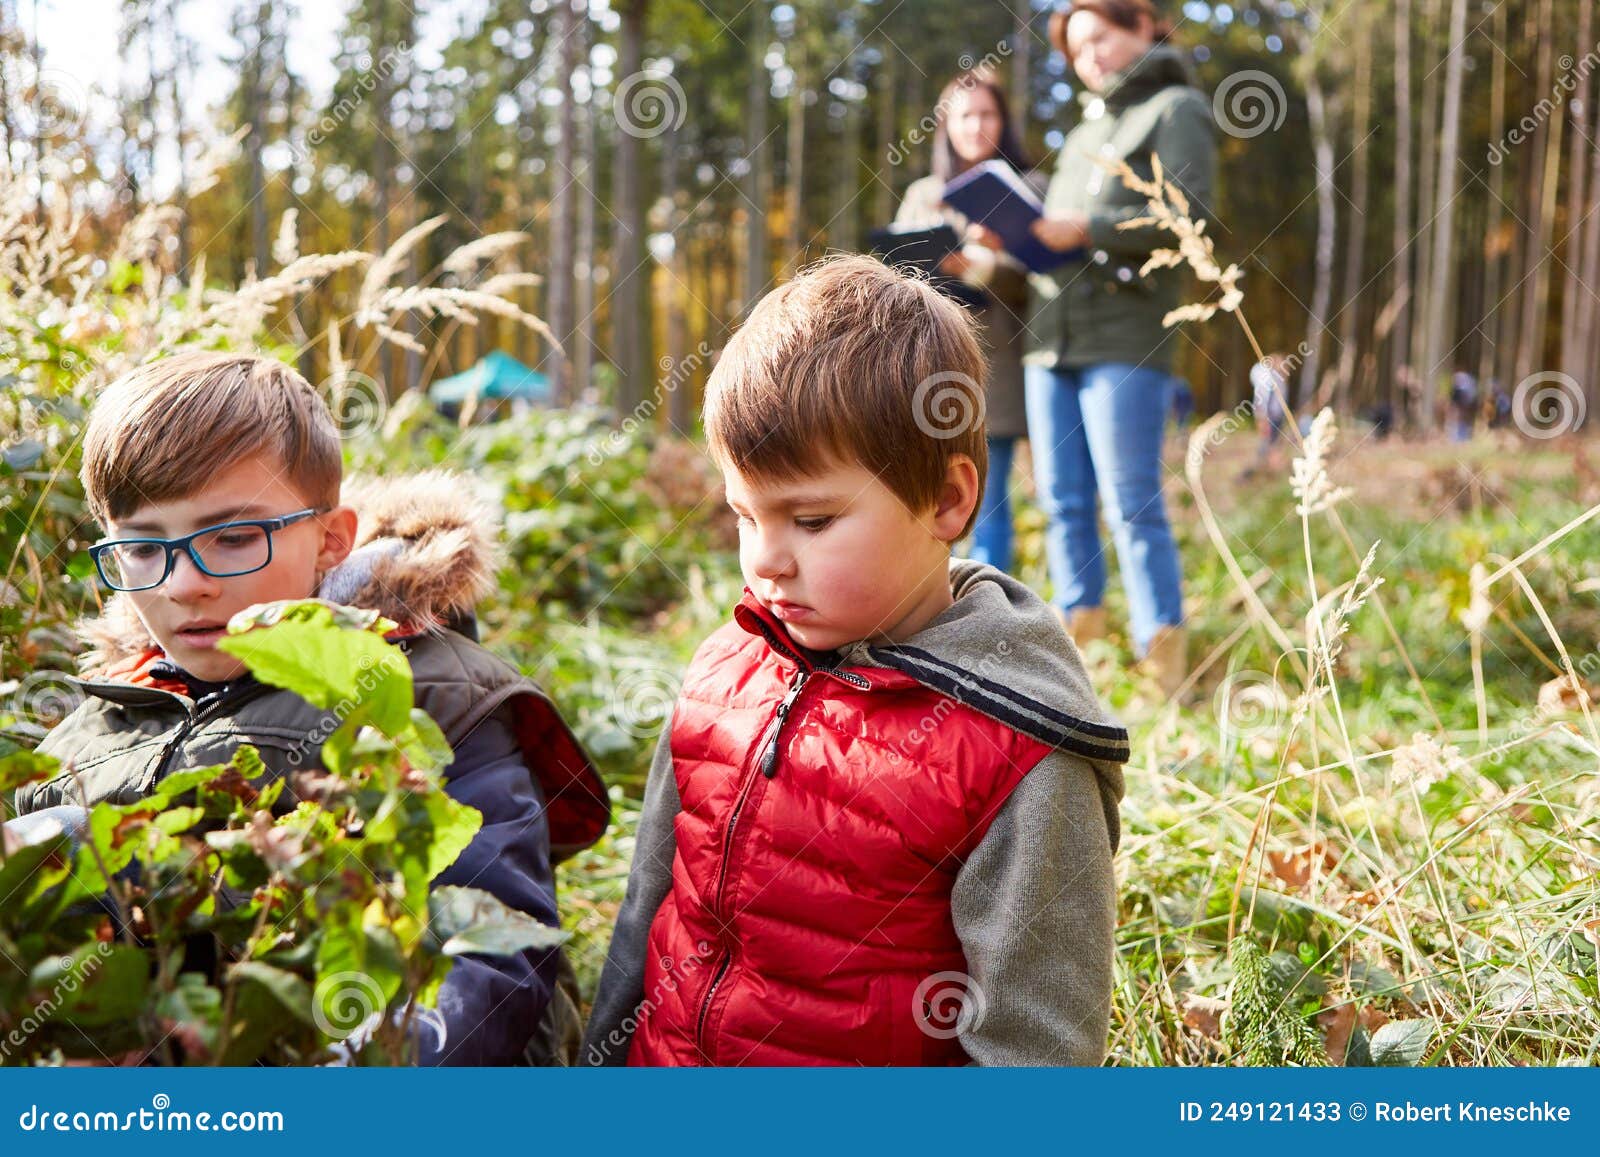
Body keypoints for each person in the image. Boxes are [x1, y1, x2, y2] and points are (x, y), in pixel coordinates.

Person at [580, 256, 1128, 1067]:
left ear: (946, 499)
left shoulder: (1017, 751)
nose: (765, 560)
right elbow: (644, 922)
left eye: (811, 519)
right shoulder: (725, 670)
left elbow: (1034, 1053)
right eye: (743, 514)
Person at [6, 350, 610, 1065]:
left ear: (331, 539)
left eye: (233, 537)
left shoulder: (433, 699)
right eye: (143, 547)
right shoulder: (90, 734)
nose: (185, 584)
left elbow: (491, 960)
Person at [1024, 0, 1216, 695]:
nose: (1091, 57)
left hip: (1126, 337)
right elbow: (1060, 233)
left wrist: (1088, 226)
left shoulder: (1175, 109)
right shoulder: (1082, 131)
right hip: (1051, 341)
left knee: (1132, 499)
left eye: (1101, 38)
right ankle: (1082, 660)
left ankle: (1164, 668)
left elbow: (1189, 216)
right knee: (1062, 503)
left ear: (1143, 28)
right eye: (1076, 50)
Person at [895, 68, 1042, 573]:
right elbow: (898, 275)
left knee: (989, 495)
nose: (975, 125)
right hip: (926, 366)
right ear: (945, 125)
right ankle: (930, 607)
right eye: (964, 115)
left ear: (1004, 120)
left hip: (999, 362)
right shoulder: (922, 194)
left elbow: (1040, 277)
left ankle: (988, 612)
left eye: (987, 113)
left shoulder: (1028, 186)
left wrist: (984, 265)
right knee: (927, 496)